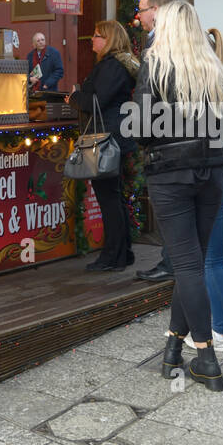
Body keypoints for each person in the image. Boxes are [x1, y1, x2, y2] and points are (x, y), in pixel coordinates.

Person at [131, 0, 223, 392]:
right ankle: (173, 348)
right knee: (194, 262)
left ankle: (206, 358)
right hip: (212, 173)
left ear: (167, 28)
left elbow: (140, 130)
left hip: (171, 175)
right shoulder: (212, 68)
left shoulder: (154, 67)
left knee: (187, 267)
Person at [178, 28, 223, 355]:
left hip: (218, 176)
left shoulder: (209, 87)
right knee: (210, 258)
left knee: (213, 260)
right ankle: (216, 328)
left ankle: (221, 333)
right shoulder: (221, 83)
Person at [67, 20, 139, 271]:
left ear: (108, 40)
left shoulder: (111, 66)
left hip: (106, 139)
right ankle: (122, 252)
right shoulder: (119, 65)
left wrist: (74, 97)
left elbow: (97, 101)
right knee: (114, 197)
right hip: (116, 136)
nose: (92, 40)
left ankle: (113, 257)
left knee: (109, 199)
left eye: (97, 36)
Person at [133, 0, 176, 284]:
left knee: (169, 214)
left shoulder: (160, 44)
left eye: (142, 9)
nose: (138, 15)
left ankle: (171, 263)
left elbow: (146, 100)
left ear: (157, 11)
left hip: (165, 142)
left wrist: (143, 138)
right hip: (185, 141)